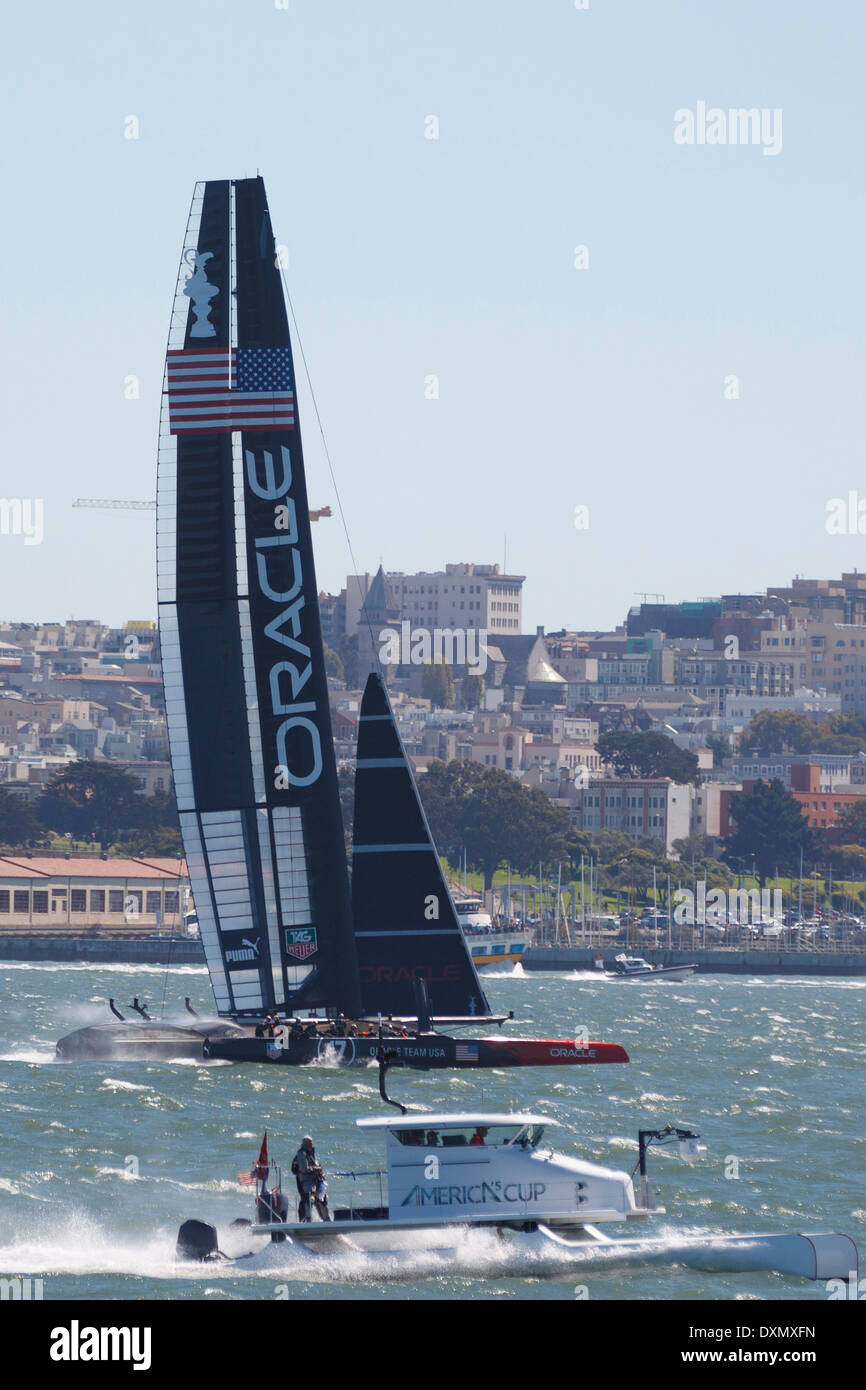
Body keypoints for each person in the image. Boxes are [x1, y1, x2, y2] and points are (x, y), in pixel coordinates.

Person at [291, 1136, 330, 1222]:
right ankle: (307, 1219)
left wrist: (321, 1174)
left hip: (315, 1181)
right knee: (309, 1199)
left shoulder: (310, 1154)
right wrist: (317, 1169)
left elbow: (314, 1165)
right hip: (307, 1181)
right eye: (310, 1142)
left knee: (320, 1200)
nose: (312, 1144)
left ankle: (326, 1219)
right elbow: (305, 1169)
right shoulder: (302, 1154)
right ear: (306, 1143)